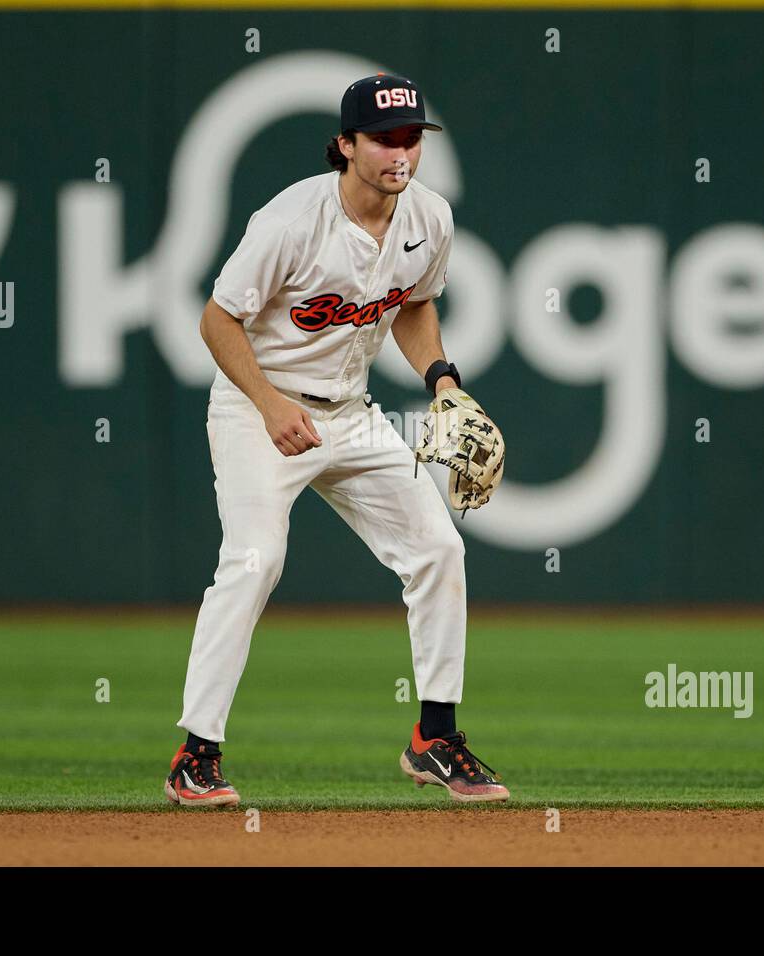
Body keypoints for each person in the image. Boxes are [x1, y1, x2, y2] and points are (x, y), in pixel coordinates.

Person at [164, 72, 508, 807]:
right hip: (259, 410)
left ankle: (436, 739)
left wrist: (443, 380)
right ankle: (196, 754)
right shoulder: (290, 221)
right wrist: (266, 402)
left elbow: (414, 307)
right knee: (254, 561)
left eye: (411, 137)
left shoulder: (430, 219)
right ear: (347, 145)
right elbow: (217, 321)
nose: (401, 152)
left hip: (352, 413)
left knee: (439, 549)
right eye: (385, 139)